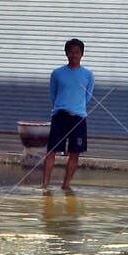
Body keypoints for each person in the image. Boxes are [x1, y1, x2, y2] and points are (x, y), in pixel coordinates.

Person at [42, 38, 94, 193]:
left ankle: (66, 185)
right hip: (60, 116)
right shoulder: (57, 73)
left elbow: (88, 96)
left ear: (82, 54)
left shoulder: (88, 75)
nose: (74, 55)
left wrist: (77, 108)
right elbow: (53, 94)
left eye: (77, 52)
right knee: (51, 150)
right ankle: (45, 184)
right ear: (66, 53)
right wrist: (61, 106)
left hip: (79, 117)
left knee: (75, 152)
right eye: (71, 52)